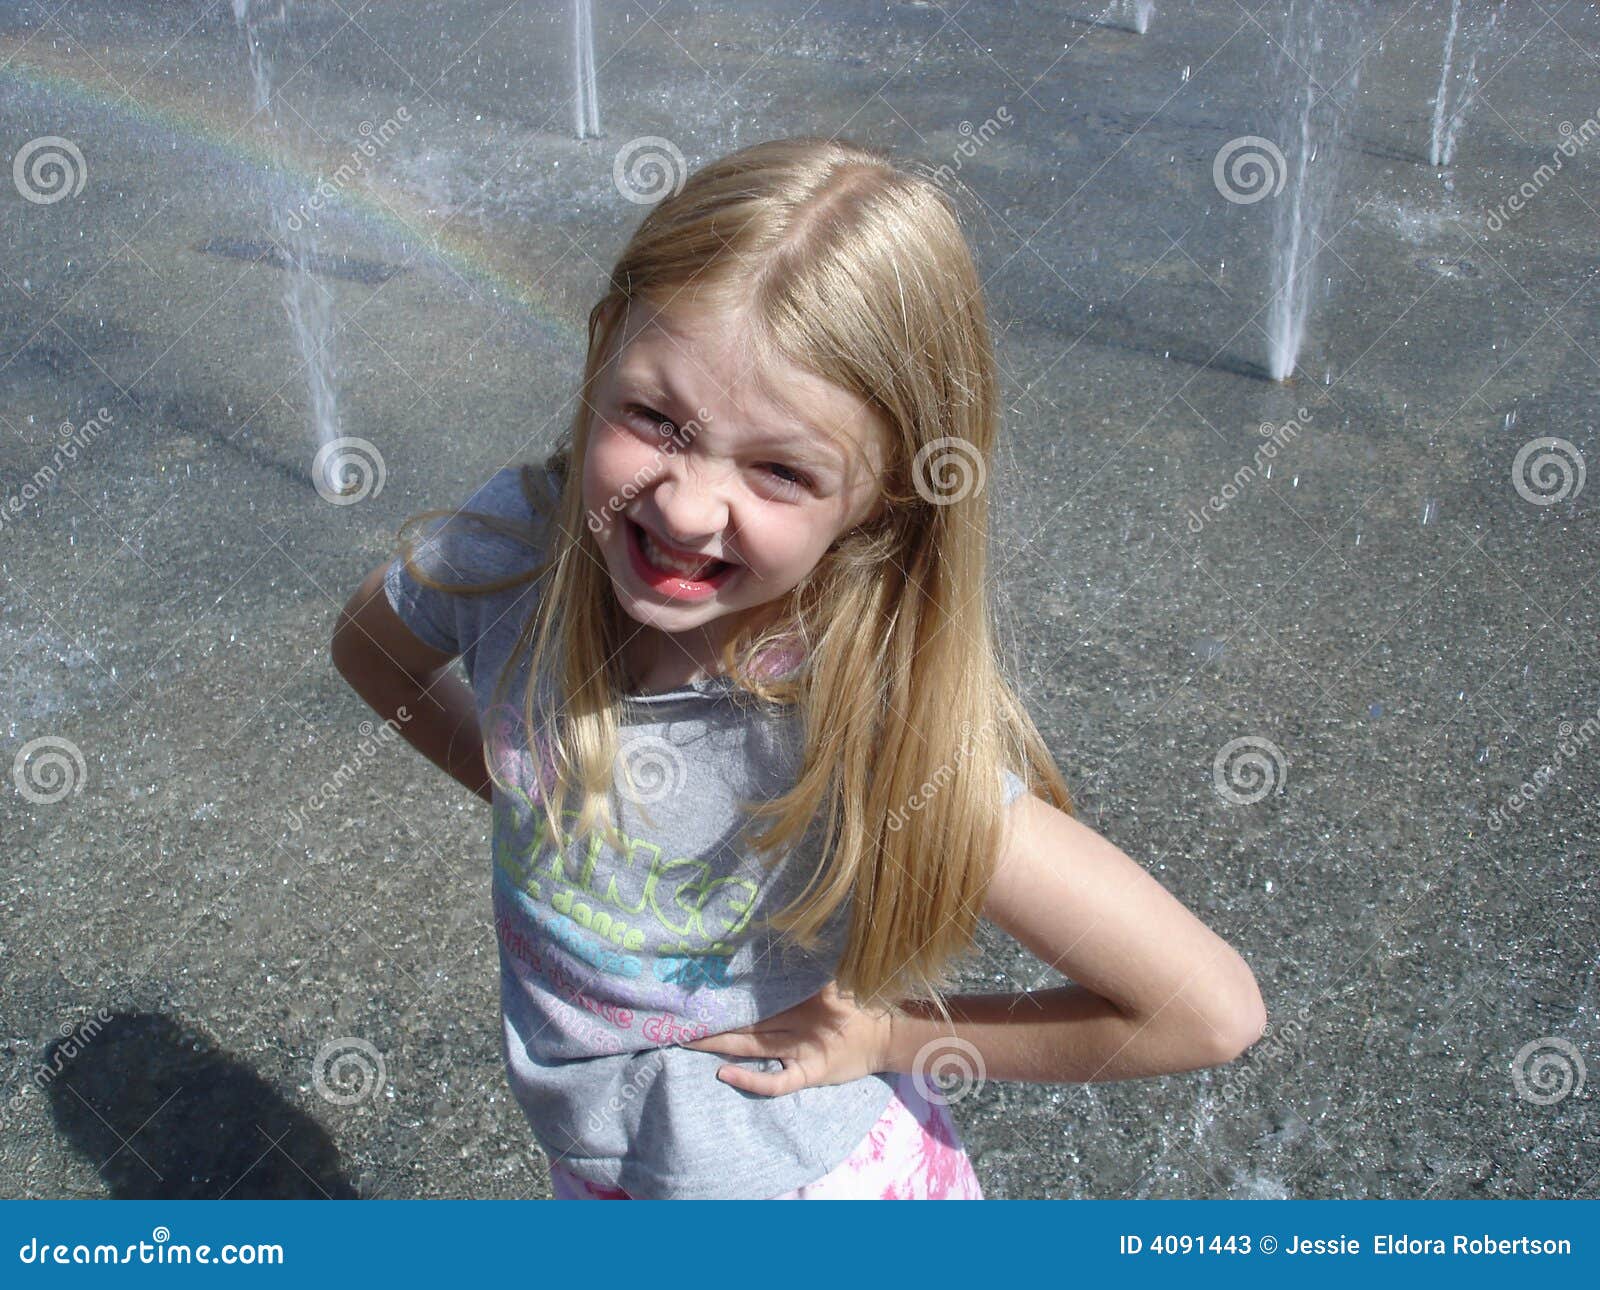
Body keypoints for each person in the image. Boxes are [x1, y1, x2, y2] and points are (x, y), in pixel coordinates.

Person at [330, 136, 1266, 1200]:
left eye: (779, 470)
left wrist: (887, 1037)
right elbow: (370, 645)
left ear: (884, 498)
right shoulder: (520, 550)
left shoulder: (845, 718)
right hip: (603, 1175)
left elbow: (1205, 1009)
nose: (684, 506)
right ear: (602, 347)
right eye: (652, 418)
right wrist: (536, 791)